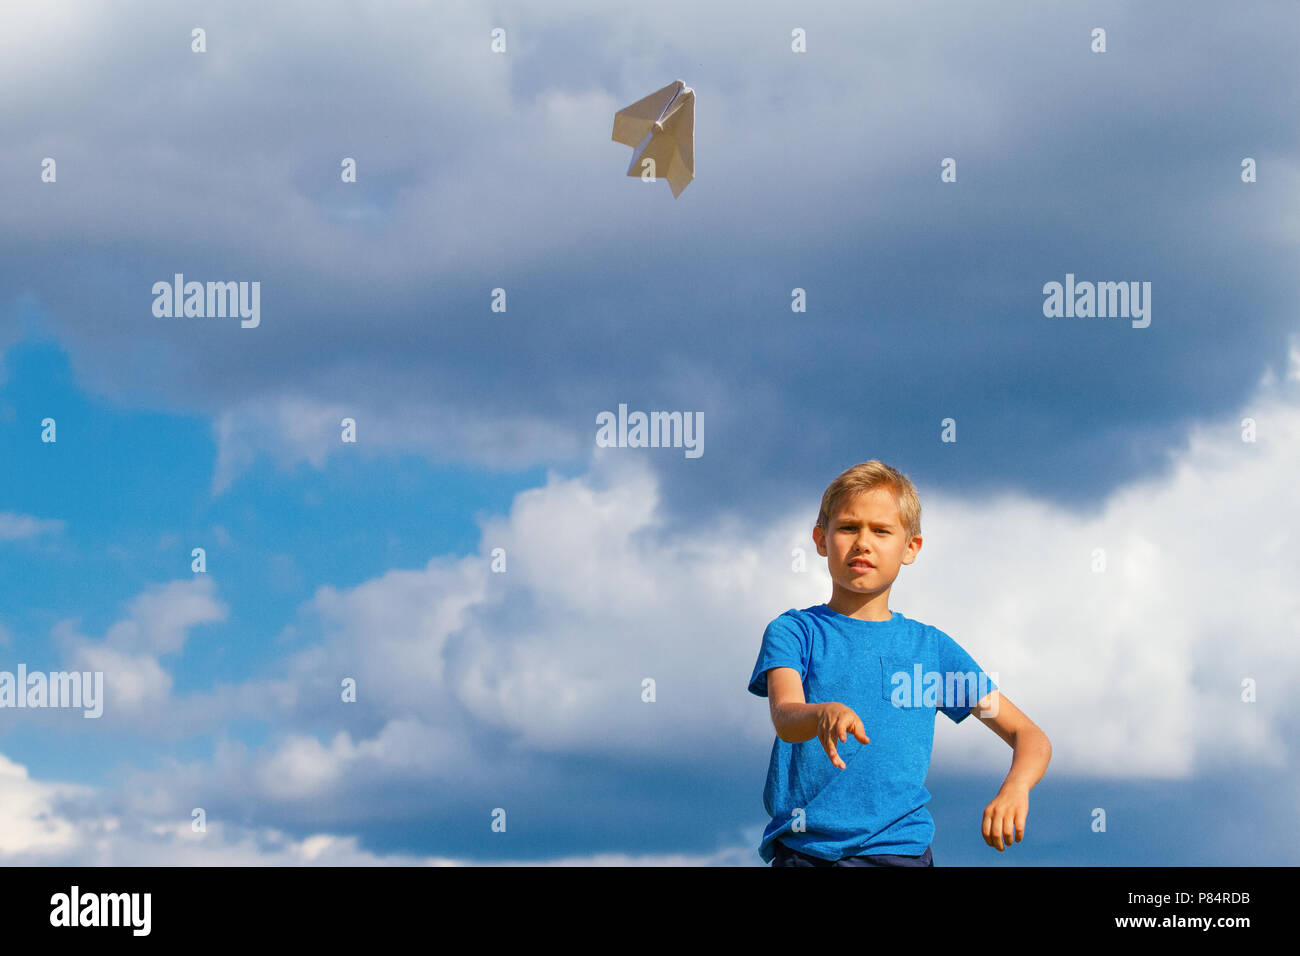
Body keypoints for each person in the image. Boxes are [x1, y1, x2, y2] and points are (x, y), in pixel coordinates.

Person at [748, 460, 1051, 866]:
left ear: (911, 547)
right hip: (807, 854)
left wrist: (1016, 787)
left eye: (881, 530)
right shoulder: (794, 632)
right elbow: (785, 716)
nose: (862, 542)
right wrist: (823, 714)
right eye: (848, 527)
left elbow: (1029, 735)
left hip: (901, 854)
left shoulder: (931, 650)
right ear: (821, 539)